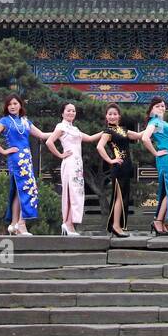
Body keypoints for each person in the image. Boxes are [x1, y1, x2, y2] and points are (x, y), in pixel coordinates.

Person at [0, 93, 53, 237]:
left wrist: (59, 132)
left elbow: (41, 134)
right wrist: (3, 151)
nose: (13, 106)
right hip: (16, 159)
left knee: (18, 190)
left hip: (26, 158)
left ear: (20, 105)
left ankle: (14, 224)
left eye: (15, 103)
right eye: (10, 104)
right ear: (6, 107)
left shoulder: (25, 121)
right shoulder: (5, 121)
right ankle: (22, 224)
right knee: (29, 188)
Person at [45, 102, 109, 237]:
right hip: (69, 163)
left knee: (76, 194)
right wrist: (60, 155)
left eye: (73, 111)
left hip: (77, 164)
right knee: (70, 193)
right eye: (68, 110)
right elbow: (49, 142)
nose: (71, 113)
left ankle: (70, 224)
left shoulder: (75, 129)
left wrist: (106, 131)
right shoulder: (61, 126)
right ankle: (67, 224)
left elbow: (90, 138)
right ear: (62, 113)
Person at [96, 103, 144, 238]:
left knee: (123, 197)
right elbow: (100, 147)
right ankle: (116, 226)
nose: (112, 116)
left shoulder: (123, 130)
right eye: (110, 114)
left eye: (115, 114)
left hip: (127, 166)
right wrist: (110, 160)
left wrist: (153, 123)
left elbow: (139, 135)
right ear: (106, 116)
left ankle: (118, 225)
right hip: (118, 167)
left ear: (119, 116)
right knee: (119, 197)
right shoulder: (108, 132)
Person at [141, 97, 168, 236]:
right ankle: (158, 221)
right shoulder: (155, 122)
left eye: (163, 106)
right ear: (152, 109)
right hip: (166, 159)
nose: (161, 108)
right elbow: (145, 138)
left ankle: (160, 221)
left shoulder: (162, 123)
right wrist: (155, 153)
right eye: (158, 106)